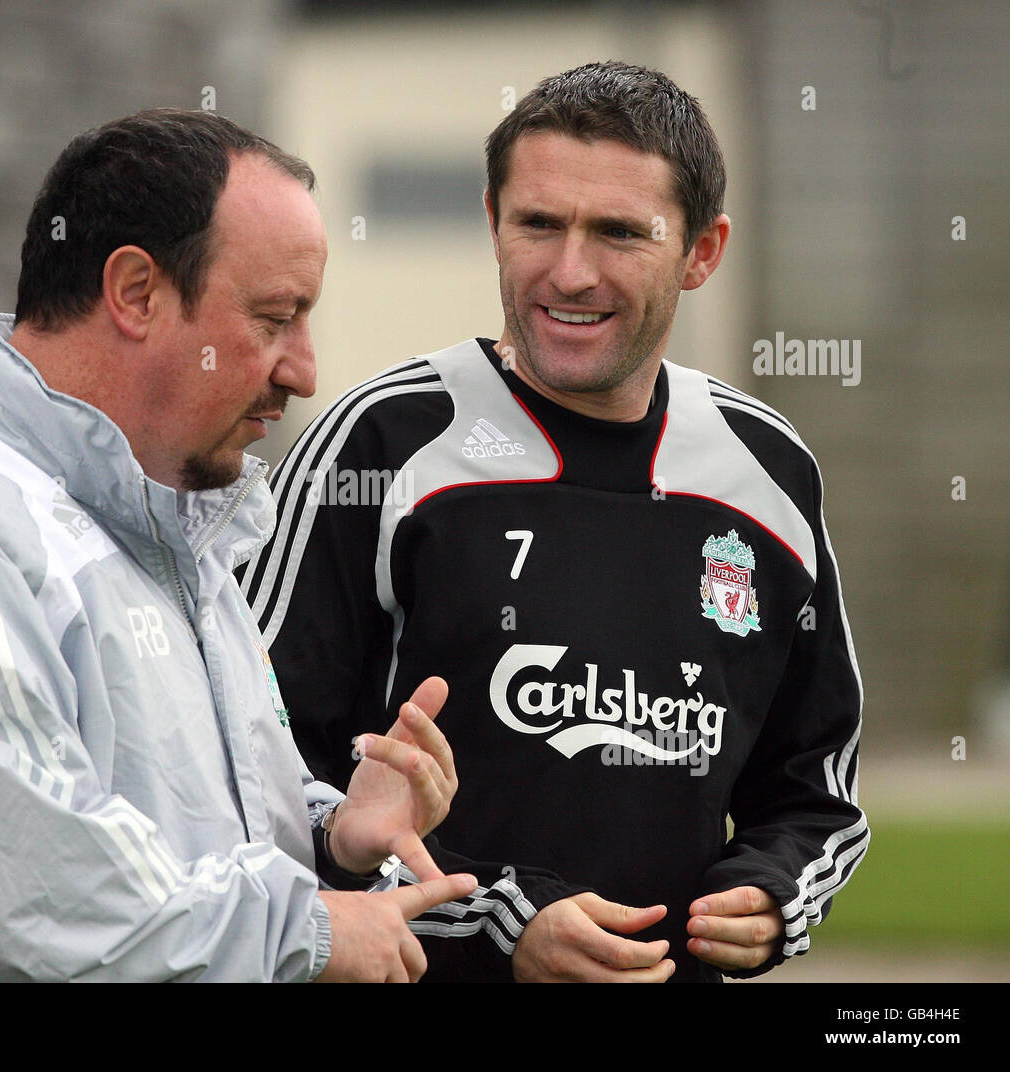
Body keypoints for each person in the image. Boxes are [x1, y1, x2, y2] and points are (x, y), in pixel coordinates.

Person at [0, 109, 478, 983]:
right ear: (134, 292)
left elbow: (184, 831)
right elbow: (35, 896)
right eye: (276, 317)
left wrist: (332, 835)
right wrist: (308, 934)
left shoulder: (176, 529)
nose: (305, 370)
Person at [241, 62, 869, 982]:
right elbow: (247, 768)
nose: (571, 272)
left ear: (702, 251)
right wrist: (499, 921)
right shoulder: (379, 444)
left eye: (619, 232)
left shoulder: (767, 470)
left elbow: (818, 790)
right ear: (493, 219)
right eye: (539, 224)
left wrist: (775, 891)